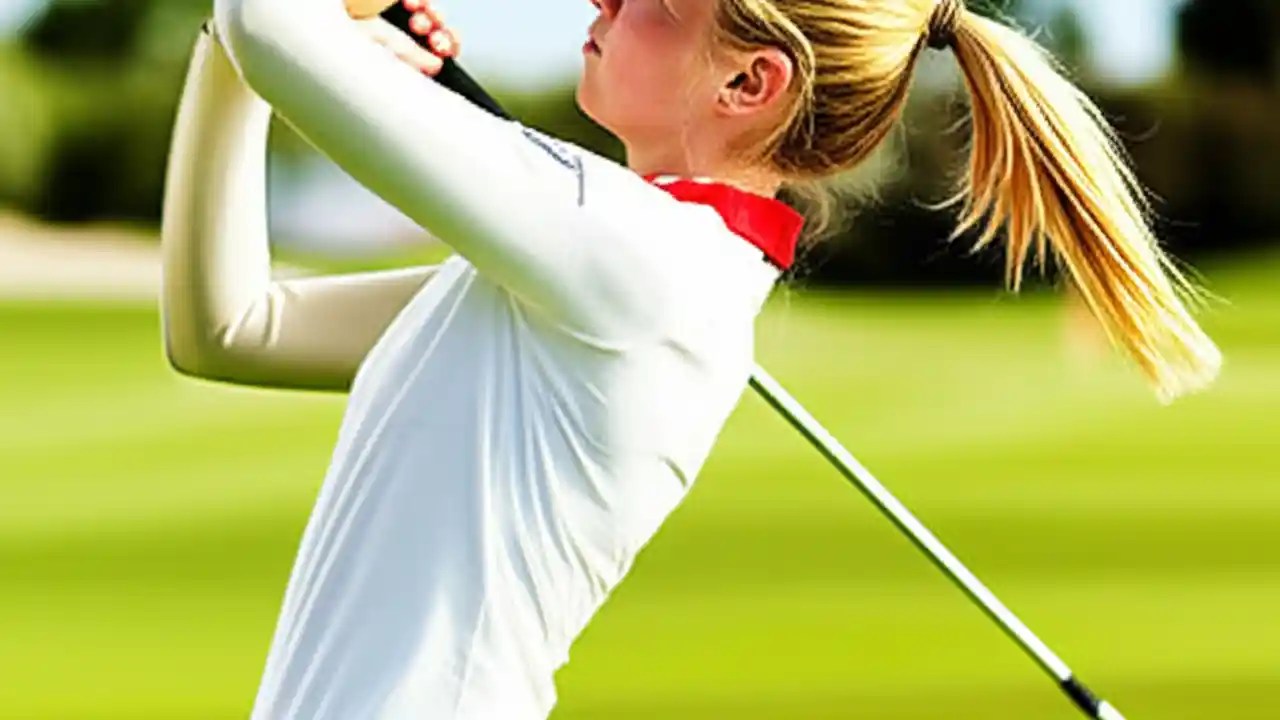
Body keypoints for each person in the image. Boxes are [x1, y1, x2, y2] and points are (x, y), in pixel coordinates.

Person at [160, 0, 1221, 717]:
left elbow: (271, 21)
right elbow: (230, 328)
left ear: (749, 82)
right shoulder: (628, 255)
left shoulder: (644, 260)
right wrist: (233, 49)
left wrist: (300, 30)